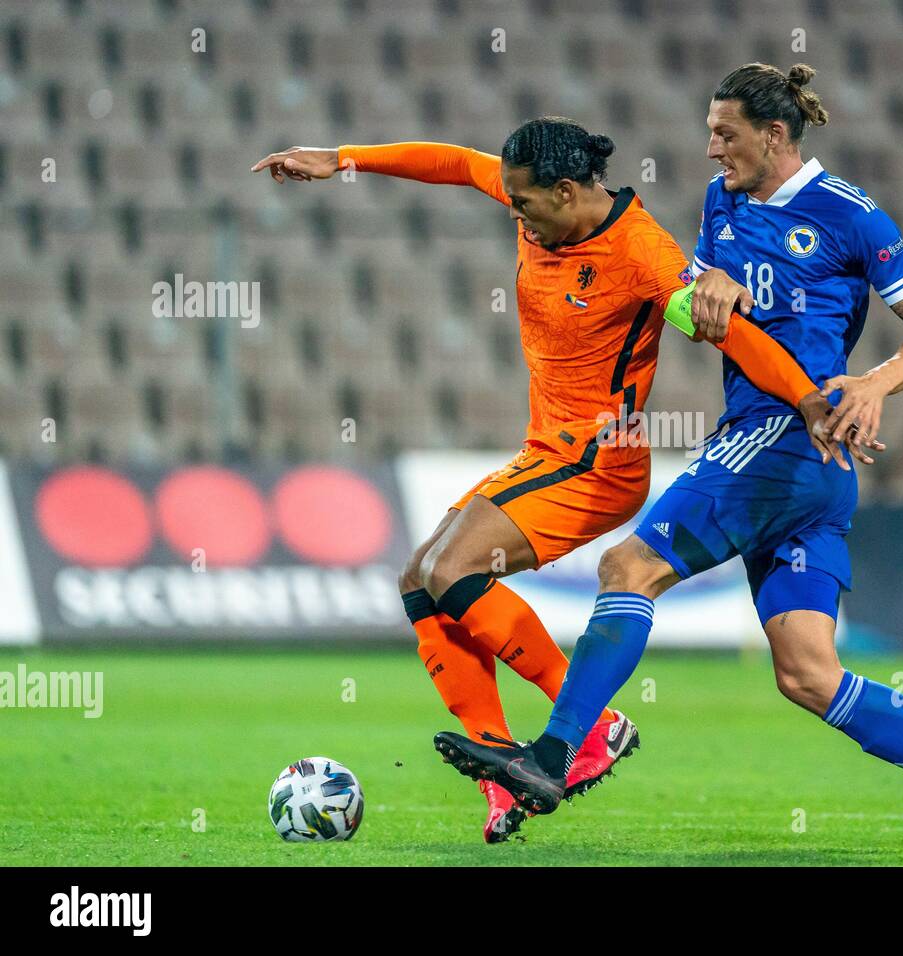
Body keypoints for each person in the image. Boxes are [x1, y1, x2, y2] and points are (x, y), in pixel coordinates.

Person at [432, 68, 903, 855]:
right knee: (808, 676)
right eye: (709, 130)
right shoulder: (721, 201)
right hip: (805, 467)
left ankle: (552, 756)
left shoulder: (852, 216)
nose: (710, 146)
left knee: (628, 568)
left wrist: (873, 382)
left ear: (775, 135)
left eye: (725, 133)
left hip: (786, 437)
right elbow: (704, 294)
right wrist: (707, 284)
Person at [251, 116, 852, 843]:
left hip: (597, 463)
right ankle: (503, 775)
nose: (515, 214)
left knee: (449, 567)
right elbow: (447, 162)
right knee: (420, 580)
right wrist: (340, 158)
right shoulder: (534, 204)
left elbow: (740, 337)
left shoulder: (642, 254)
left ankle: (592, 727)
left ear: (567, 192)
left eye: (527, 203)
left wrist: (812, 400)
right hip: (546, 454)